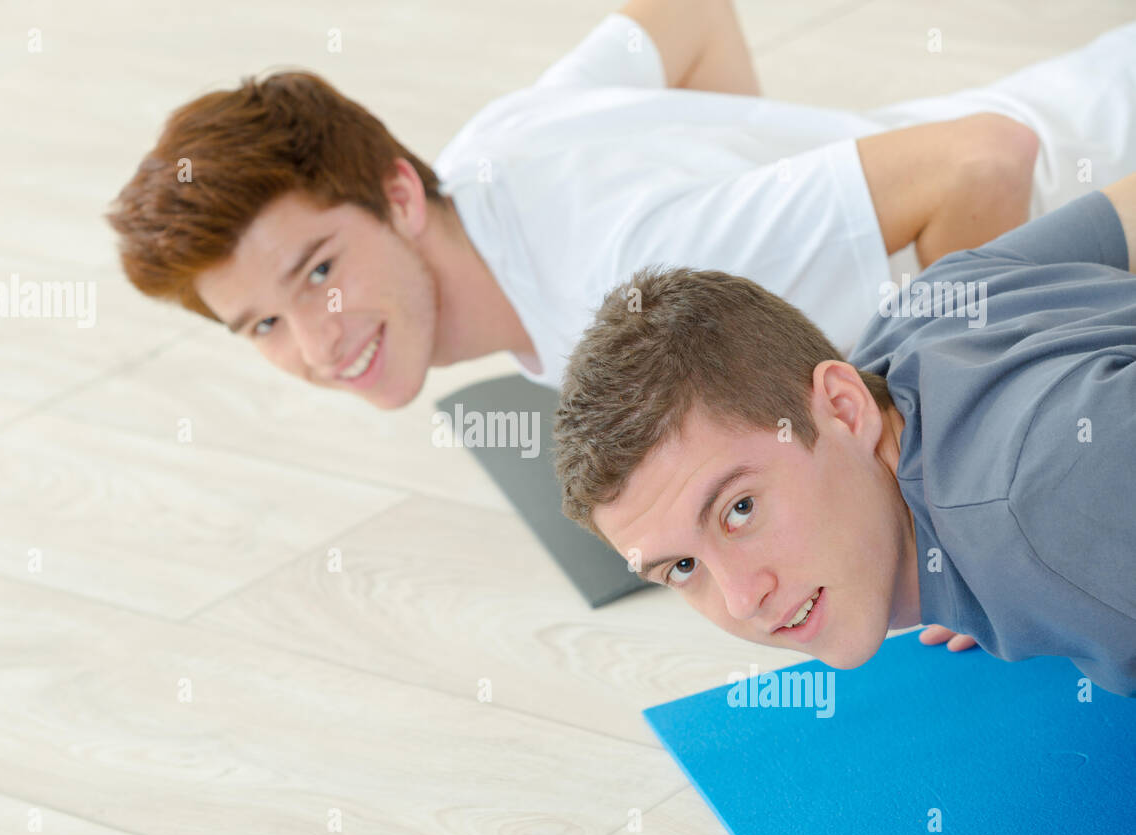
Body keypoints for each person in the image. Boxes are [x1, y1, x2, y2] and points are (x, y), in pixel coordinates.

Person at [106, 1, 1136, 411]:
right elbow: (686, 10)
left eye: (319, 271)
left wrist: (967, 434)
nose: (316, 343)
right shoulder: (487, 158)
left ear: (397, 193)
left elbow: (983, 165)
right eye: (265, 326)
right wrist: (752, 174)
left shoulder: (638, 282)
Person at [550, 169, 1136, 696]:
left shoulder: (1046, 504)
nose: (742, 598)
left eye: (741, 508)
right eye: (682, 568)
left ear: (845, 407)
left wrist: (1040, 557)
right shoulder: (917, 315)